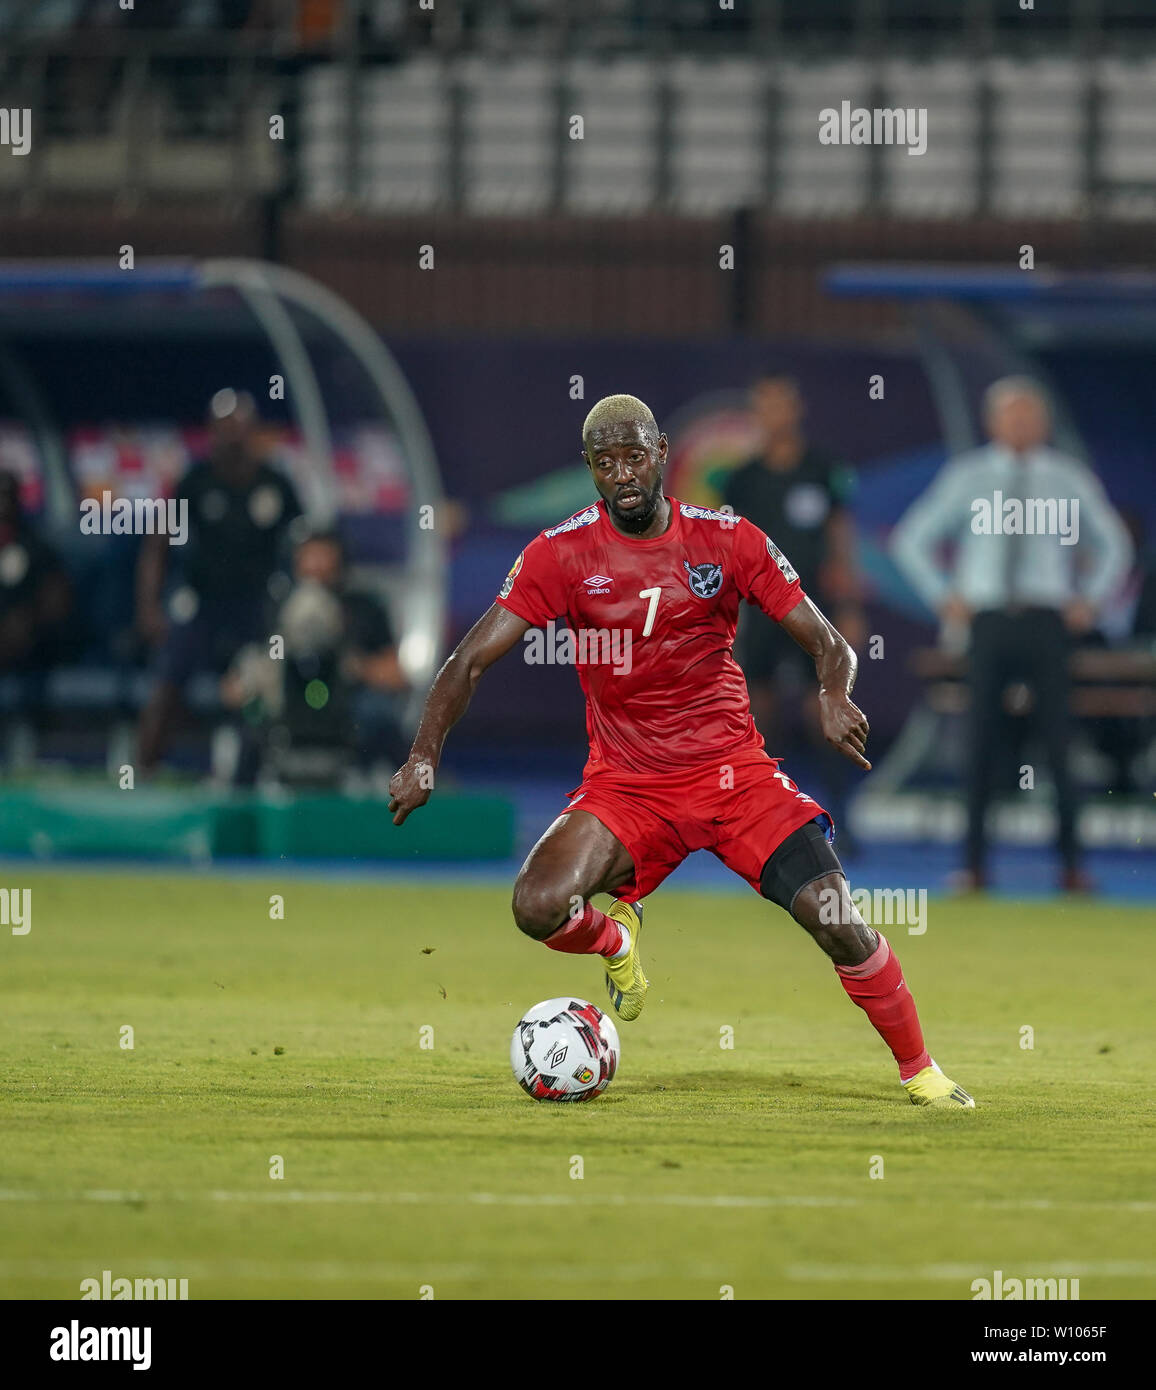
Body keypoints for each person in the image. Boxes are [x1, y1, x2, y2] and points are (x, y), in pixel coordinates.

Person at [390, 393, 973, 1109]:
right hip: (628, 787)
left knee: (835, 918)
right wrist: (424, 756)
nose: (623, 473)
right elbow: (468, 661)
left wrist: (831, 693)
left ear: (663, 452)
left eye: (634, 456)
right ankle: (616, 945)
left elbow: (829, 642)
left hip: (736, 778)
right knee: (537, 905)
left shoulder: (728, 539)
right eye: (606, 463)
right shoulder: (558, 554)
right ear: (590, 470)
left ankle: (922, 1072)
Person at [890, 377, 1134, 893]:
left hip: (1047, 622)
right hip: (987, 621)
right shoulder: (970, 476)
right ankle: (975, 868)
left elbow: (1113, 543)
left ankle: (1071, 869)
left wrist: (1090, 598)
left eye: (1029, 414)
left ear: (1043, 422)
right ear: (993, 421)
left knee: (1058, 743)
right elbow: (912, 538)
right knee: (980, 742)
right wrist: (942, 594)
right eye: (1011, 414)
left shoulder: (1067, 479)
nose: (1020, 423)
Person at [721, 374, 864, 849]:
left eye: (781, 405)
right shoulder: (743, 478)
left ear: (796, 410)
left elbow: (841, 537)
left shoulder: (823, 469)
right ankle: (761, 821)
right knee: (756, 714)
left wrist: (848, 606)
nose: (773, 415)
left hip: (813, 611)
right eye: (763, 406)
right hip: (760, 614)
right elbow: (729, 549)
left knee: (821, 707)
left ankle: (841, 820)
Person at [136, 389, 302, 772]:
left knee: (271, 681)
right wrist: (149, 607)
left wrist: (294, 605)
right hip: (202, 604)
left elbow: (303, 545)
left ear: (253, 430)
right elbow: (159, 542)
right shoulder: (196, 482)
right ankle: (143, 772)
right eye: (224, 427)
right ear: (211, 431)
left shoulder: (275, 484)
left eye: (240, 426)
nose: (232, 435)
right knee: (168, 682)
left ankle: (263, 774)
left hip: (256, 607)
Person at [221, 530, 409, 781]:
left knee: (379, 717)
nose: (317, 562)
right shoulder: (273, 606)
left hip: (346, 707)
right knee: (250, 723)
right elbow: (236, 682)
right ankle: (238, 810)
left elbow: (397, 676)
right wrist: (253, 683)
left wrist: (357, 666)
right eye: (310, 554)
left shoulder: (364, 607)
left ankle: (415, 796)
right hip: (283, 705)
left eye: (325, 553)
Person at [0, 469, 71, 678]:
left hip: (25, 639)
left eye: (6, 496)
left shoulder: (37, 548)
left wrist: (31, 618)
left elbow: (57, 600)